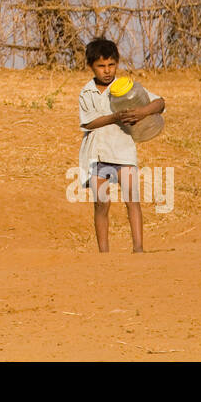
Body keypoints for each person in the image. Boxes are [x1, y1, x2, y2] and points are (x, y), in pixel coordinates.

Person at [77, 37, 165, 253]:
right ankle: (104, 254)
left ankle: (138, 249)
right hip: (97, 154)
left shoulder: (126, 88)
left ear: (117, 63)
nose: (107, 71)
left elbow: (160, 102)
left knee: (132, 199)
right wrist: (116, 116)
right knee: (101, 204)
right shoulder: (87, 92)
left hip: (123, 151)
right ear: (91, 67)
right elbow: (89, 122)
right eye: (101, 66)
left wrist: (143, 111)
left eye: (111, 65)